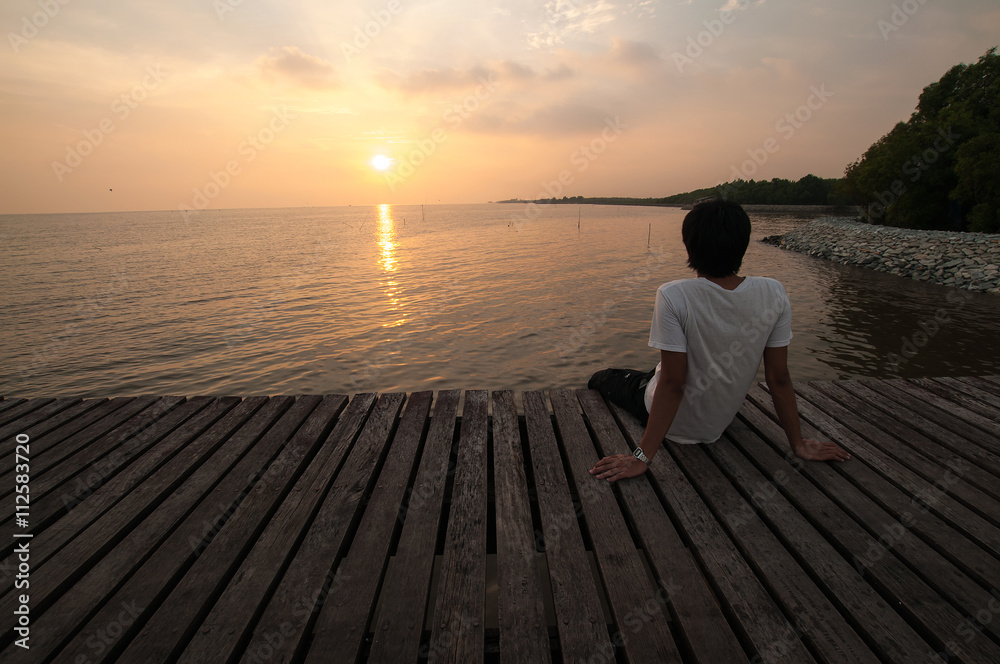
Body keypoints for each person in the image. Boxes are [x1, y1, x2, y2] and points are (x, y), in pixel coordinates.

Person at [588, 199, 850, 482]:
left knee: (604, 378)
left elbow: (674, 384)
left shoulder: (673, 295)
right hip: (716, 425)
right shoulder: (774, 292)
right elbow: (779, 377)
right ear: (743, 244)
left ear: (689, 245)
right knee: (658, 371)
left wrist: (641, 457)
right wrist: (798, 443)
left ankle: (615, 380)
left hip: (671, 420)